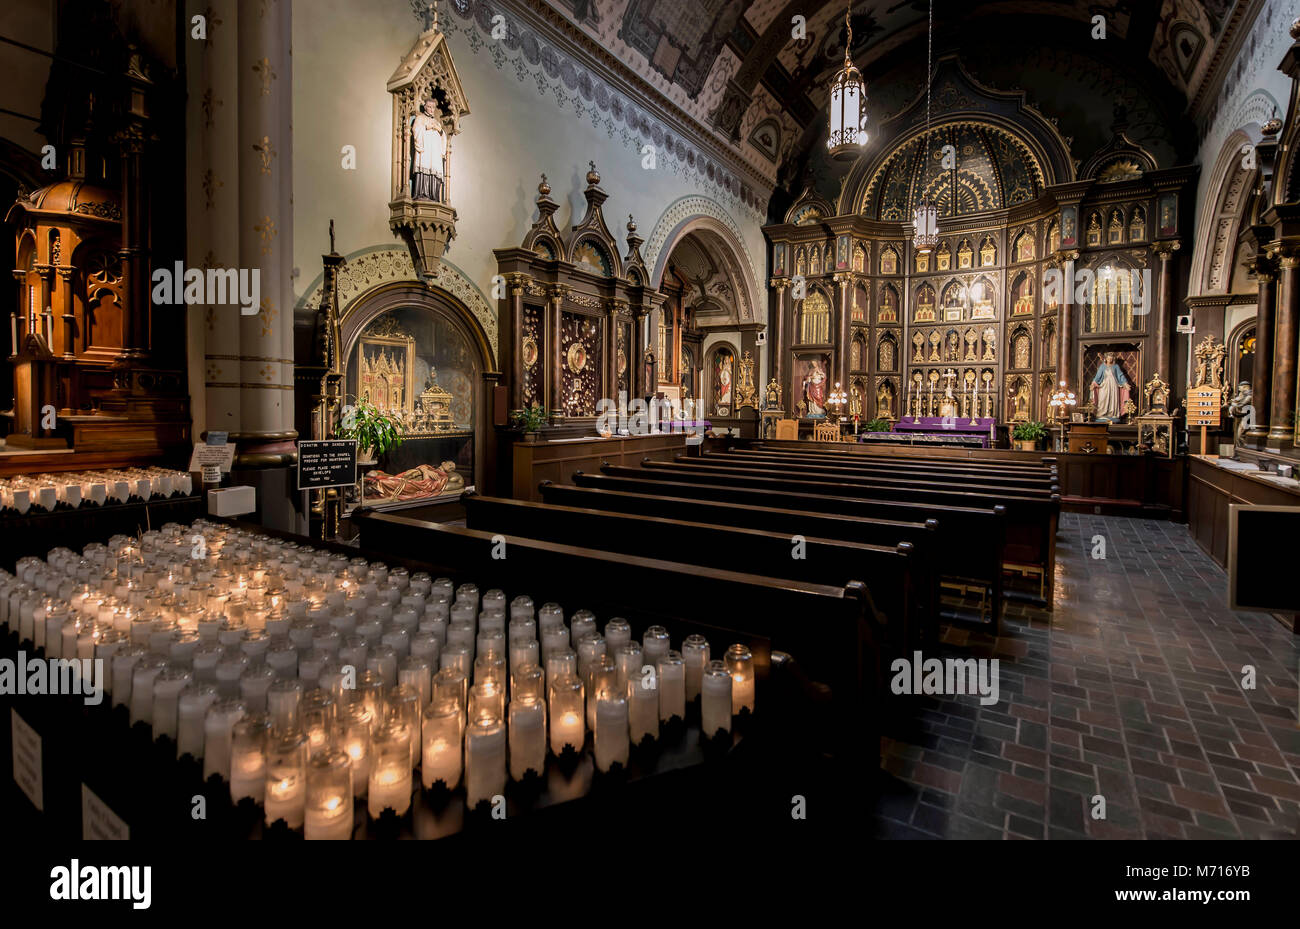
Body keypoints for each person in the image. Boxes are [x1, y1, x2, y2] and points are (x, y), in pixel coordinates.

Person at [410, 98, 446, 201]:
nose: (431, 109)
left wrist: (440, 131)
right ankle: (422, 193)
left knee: (434, 170)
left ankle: (433, 195)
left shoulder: (437, 122)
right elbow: (416, 130)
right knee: (424, 168)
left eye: (433, 107)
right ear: (425, 107)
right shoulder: (420, 118)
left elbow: (443, 138)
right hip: (425, 153)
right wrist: (426, 127)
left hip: (434, 154)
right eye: (429, 107)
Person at [1091, 351, 1130, 422]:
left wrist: (1125, 383)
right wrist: (1093, 383)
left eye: (1111, 359)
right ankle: (1101, 414)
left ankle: (1112, 414)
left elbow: (1120, 375)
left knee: (1113, 399)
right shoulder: (1102, 366)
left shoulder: (1116, 366)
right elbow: (1098, 376)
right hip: (1104, 385)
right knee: (1103, 399)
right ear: (1106, 359)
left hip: (1114, 385)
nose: (1110, 360)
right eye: (1109, 358)